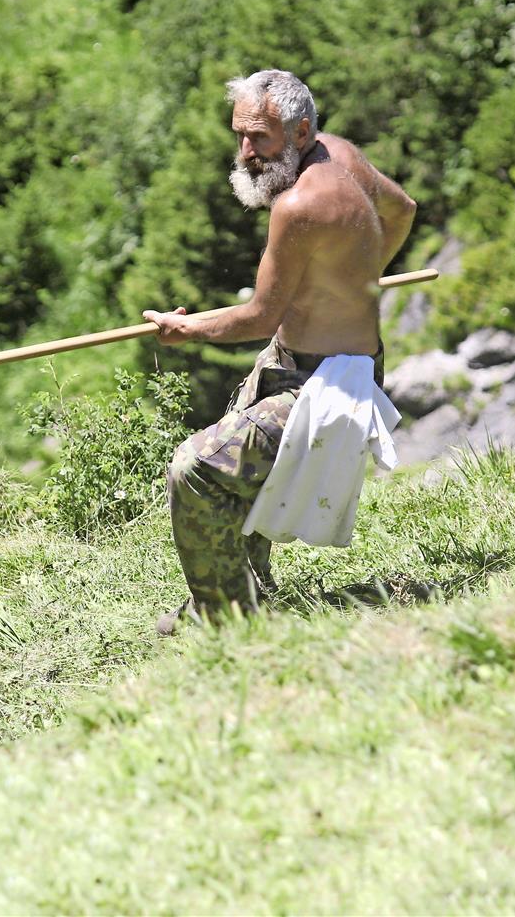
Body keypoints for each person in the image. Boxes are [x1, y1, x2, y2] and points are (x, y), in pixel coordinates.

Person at [143, 69, 417, 634]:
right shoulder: (343, 157)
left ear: (300, 131)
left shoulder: (300, 204)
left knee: (195, 470)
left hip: (325, 382)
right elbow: (404, 210)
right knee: (236, 461)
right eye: (240, 135)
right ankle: (249, 589)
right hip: (302, 359)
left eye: (260, 139)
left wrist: (186, 330)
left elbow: (259, 316)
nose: (247, 153)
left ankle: (223, 617)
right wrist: (354, 276)